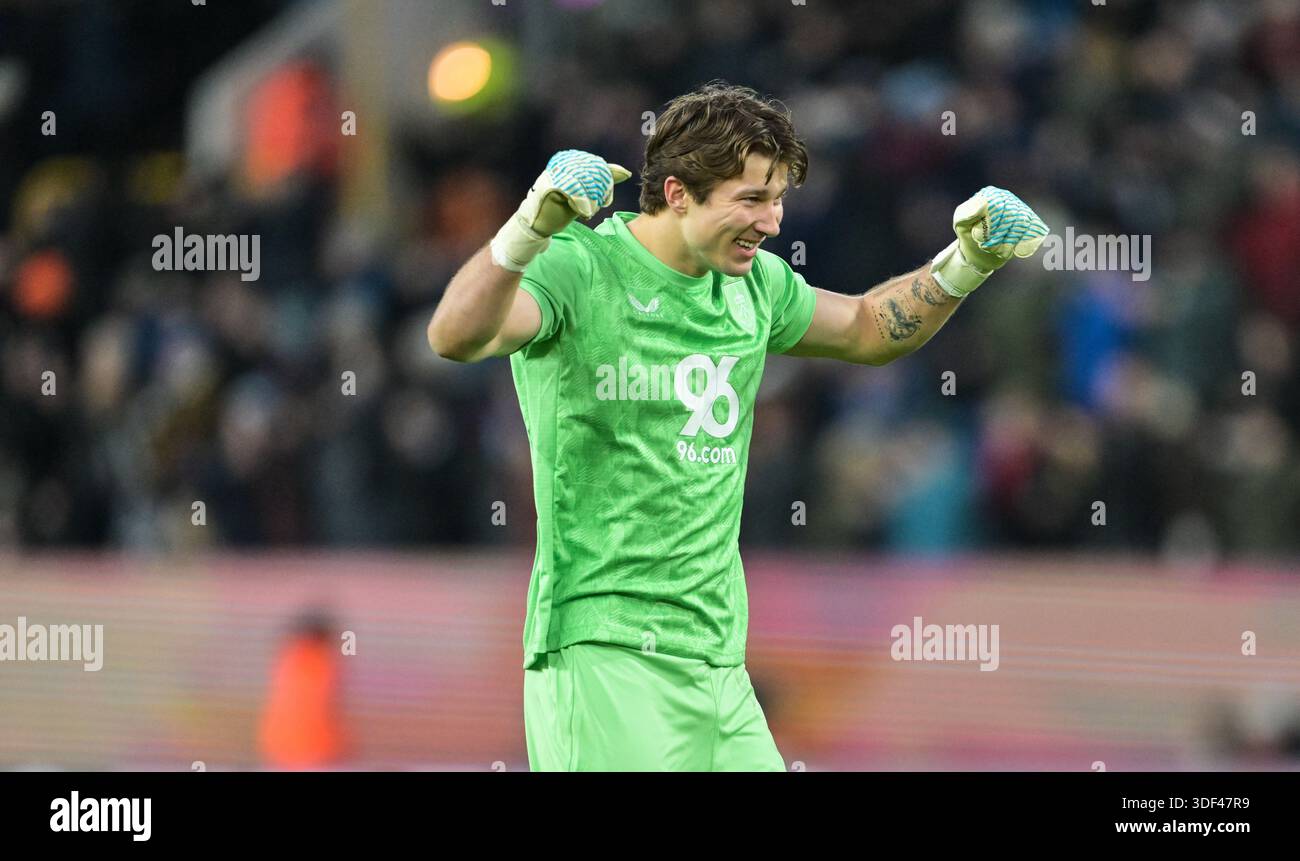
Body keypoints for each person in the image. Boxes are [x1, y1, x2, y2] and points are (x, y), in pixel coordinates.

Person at [427, 81, 1048, 771]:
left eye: (779, 197)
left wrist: (968, 262)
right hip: (604, 652)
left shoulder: (754, 287)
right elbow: (454, 335)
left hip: (719, 663)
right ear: (676, 193)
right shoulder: (578, 268)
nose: (774, 220)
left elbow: (870, 328)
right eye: (752, 198)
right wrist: (526, 231)